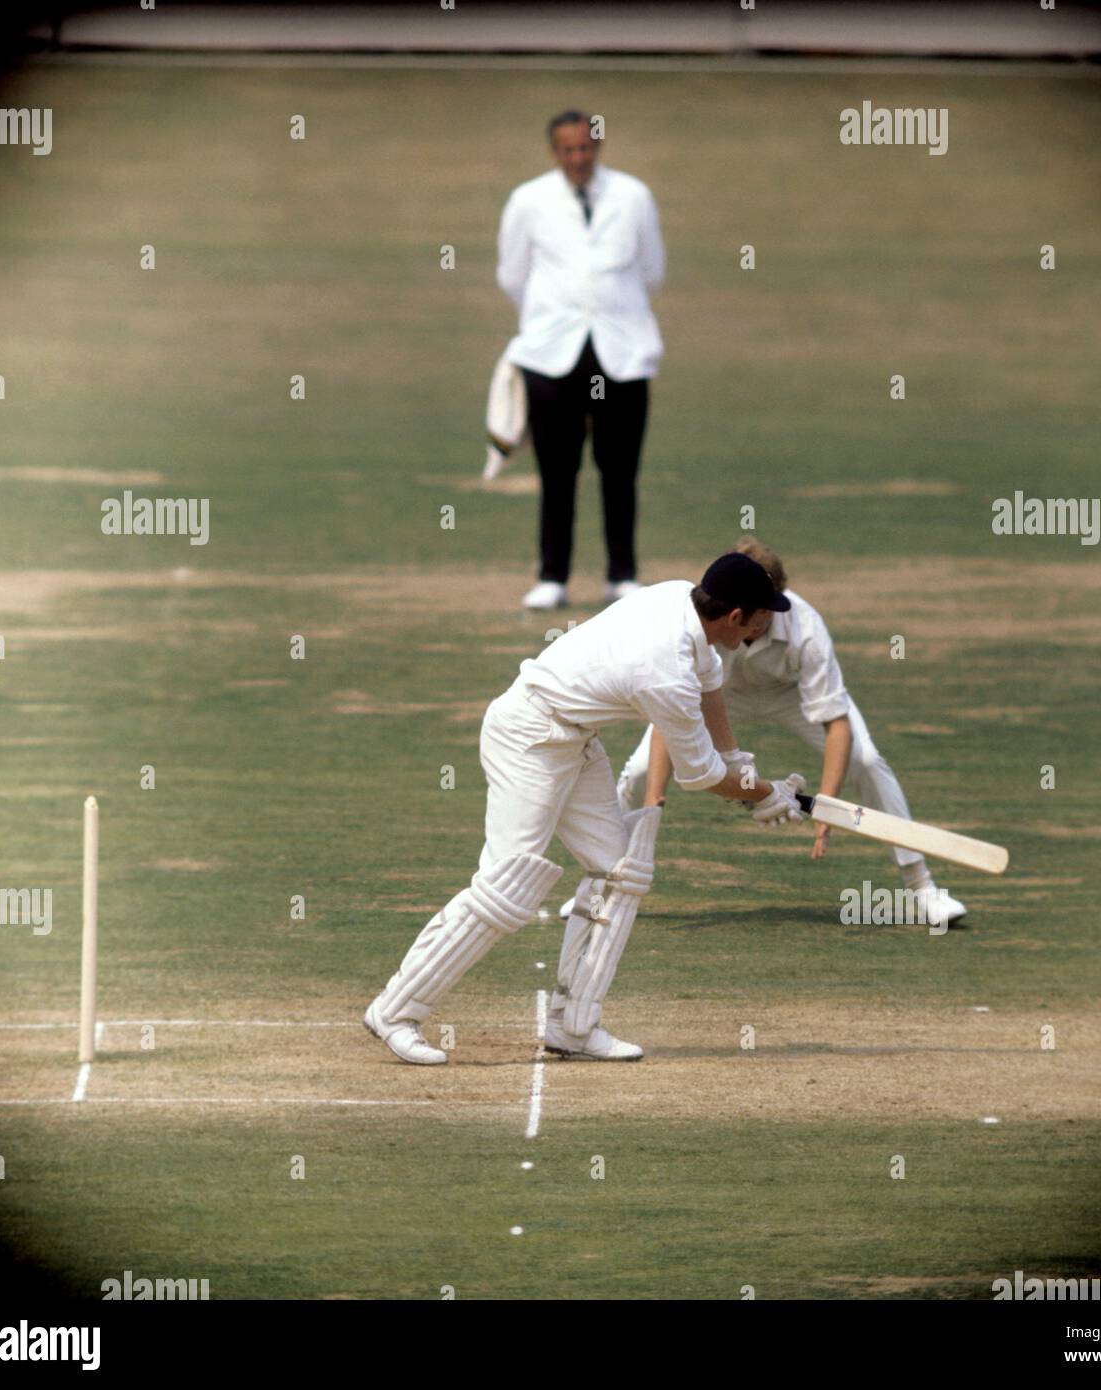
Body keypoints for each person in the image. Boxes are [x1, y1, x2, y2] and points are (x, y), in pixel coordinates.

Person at [363, 553, 806, 1066]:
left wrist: (747, 772)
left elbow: (712, 694)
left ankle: (573, 1025)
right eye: (762, 617)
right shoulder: (663, 669)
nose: (765, 626)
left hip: (574, 738)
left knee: (621, 872)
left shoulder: (681, 598)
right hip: (529, 736)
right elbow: (700, 775)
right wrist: (762, 793)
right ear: (735, 617)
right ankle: (395, 1010)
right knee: (508, 885)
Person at [588, 538, 968, 925]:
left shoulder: (806, 628)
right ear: (737, 610)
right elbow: (670, 717)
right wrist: (654, 800)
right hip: (720, 695)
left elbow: (836, 722)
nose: (770, 615)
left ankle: (923, 888)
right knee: (636, 774)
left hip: (791, 695)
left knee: (867, 761)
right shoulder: (702, 625)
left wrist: (828, 809)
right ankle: (601, 888)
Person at [496, 109, 665, 610]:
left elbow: (652, 269)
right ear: (554, 152)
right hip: (554, 354)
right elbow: (513, 275)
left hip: (622, 349)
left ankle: (623, 573)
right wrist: (553, 314)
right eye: (568, 150)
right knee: (556, 469)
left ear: (599, 146)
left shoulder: (633, 196)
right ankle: (553, 576)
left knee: (620, 468)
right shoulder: (529, 200)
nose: (578, 159)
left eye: (586, 148)